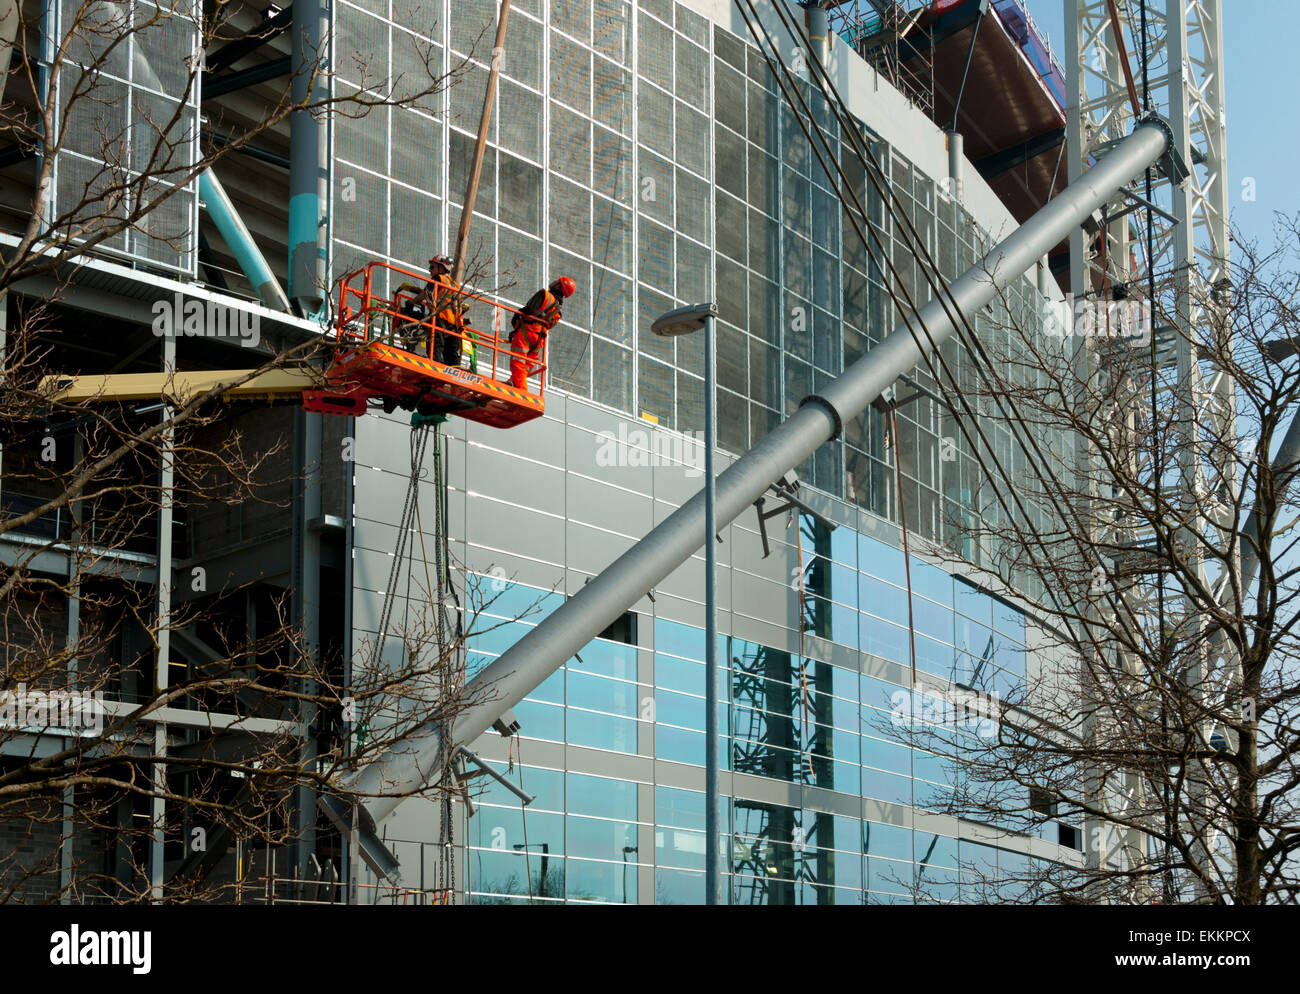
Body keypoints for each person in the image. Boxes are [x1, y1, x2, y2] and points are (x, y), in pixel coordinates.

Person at [395, 255, 464, 364]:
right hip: (455, 323)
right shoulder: (455, 285)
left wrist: (413, 302)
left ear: (441, 268)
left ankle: (436, 364)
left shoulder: (437, 279)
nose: (429, 270)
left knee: (435, 345)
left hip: (440, 318)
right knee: (451, 352)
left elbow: (426, 293)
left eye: (432, 267)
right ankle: (454, 372)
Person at [509, 276, 575, 389]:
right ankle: (514, 381)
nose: (554, 282)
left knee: (518, 360)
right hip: (540, 338)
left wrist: (516, 317)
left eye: (557, 282)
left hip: (528, 332)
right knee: (529, 363)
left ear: (559, 287)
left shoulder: (545, 295)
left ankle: (521, 388)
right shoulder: (558, 310)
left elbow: (529, 310)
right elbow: (550, 325)